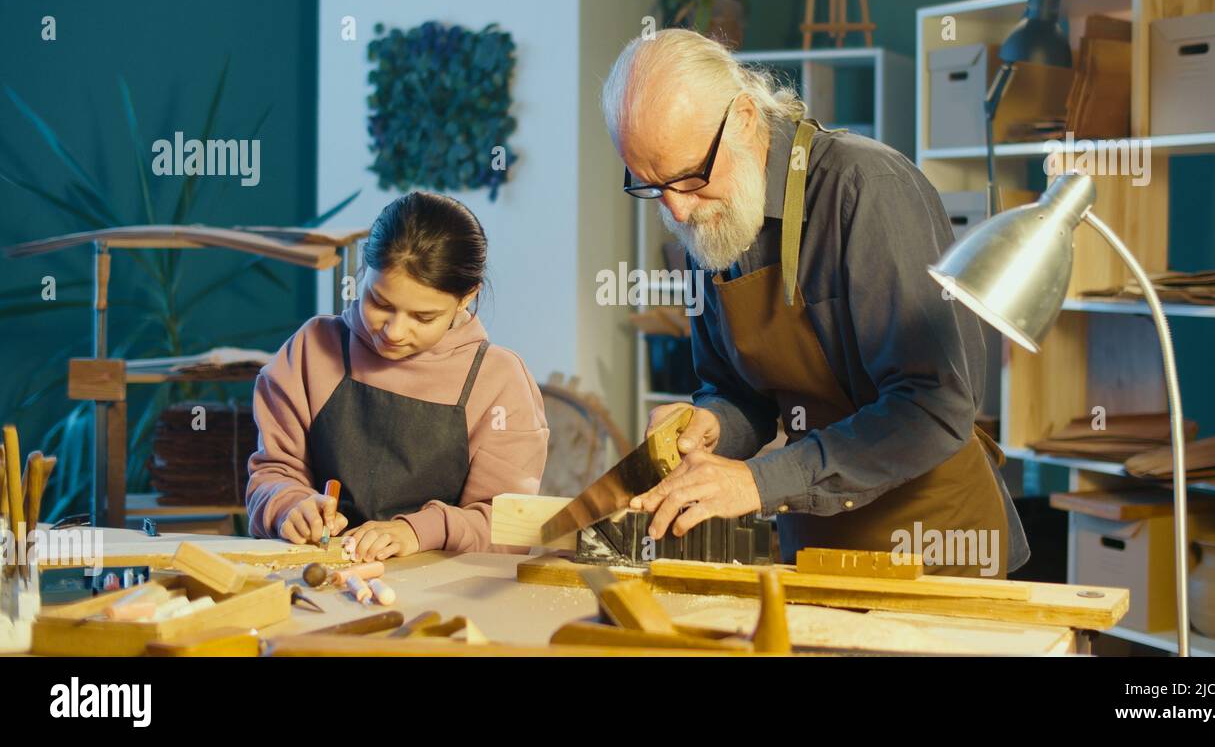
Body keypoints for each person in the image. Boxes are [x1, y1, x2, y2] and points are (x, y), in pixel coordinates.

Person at [602, 29, 1028, 577]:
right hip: (817, 545)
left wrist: (758, 481)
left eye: (688, 178)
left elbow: (934, 405)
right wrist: (711, 423)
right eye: (652, 186)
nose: (677, 211)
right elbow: (742, 395)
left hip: (935, 547)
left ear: (746, 119)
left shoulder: (866, 187)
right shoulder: (711, 221)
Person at [246, 191, 549, 561]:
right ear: (364, 270)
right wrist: (288, 505)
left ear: (468, 296)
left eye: (423, 317)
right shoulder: (311, 350)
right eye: (380, 303)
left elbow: (507, 528)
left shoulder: (501, 381)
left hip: (445, 599)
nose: (394, 331)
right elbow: (272, 474)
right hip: (318, 578)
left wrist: (417, 531)